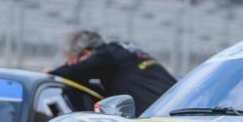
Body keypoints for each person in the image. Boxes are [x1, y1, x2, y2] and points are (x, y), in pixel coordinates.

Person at [47, 30, 177, 112]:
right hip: (178, 104)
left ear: (86, 53)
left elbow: (76, 71)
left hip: (162, 114)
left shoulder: (107, 55)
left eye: (71, 60)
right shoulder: (123, 52)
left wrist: (51, 73)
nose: (70, 65)